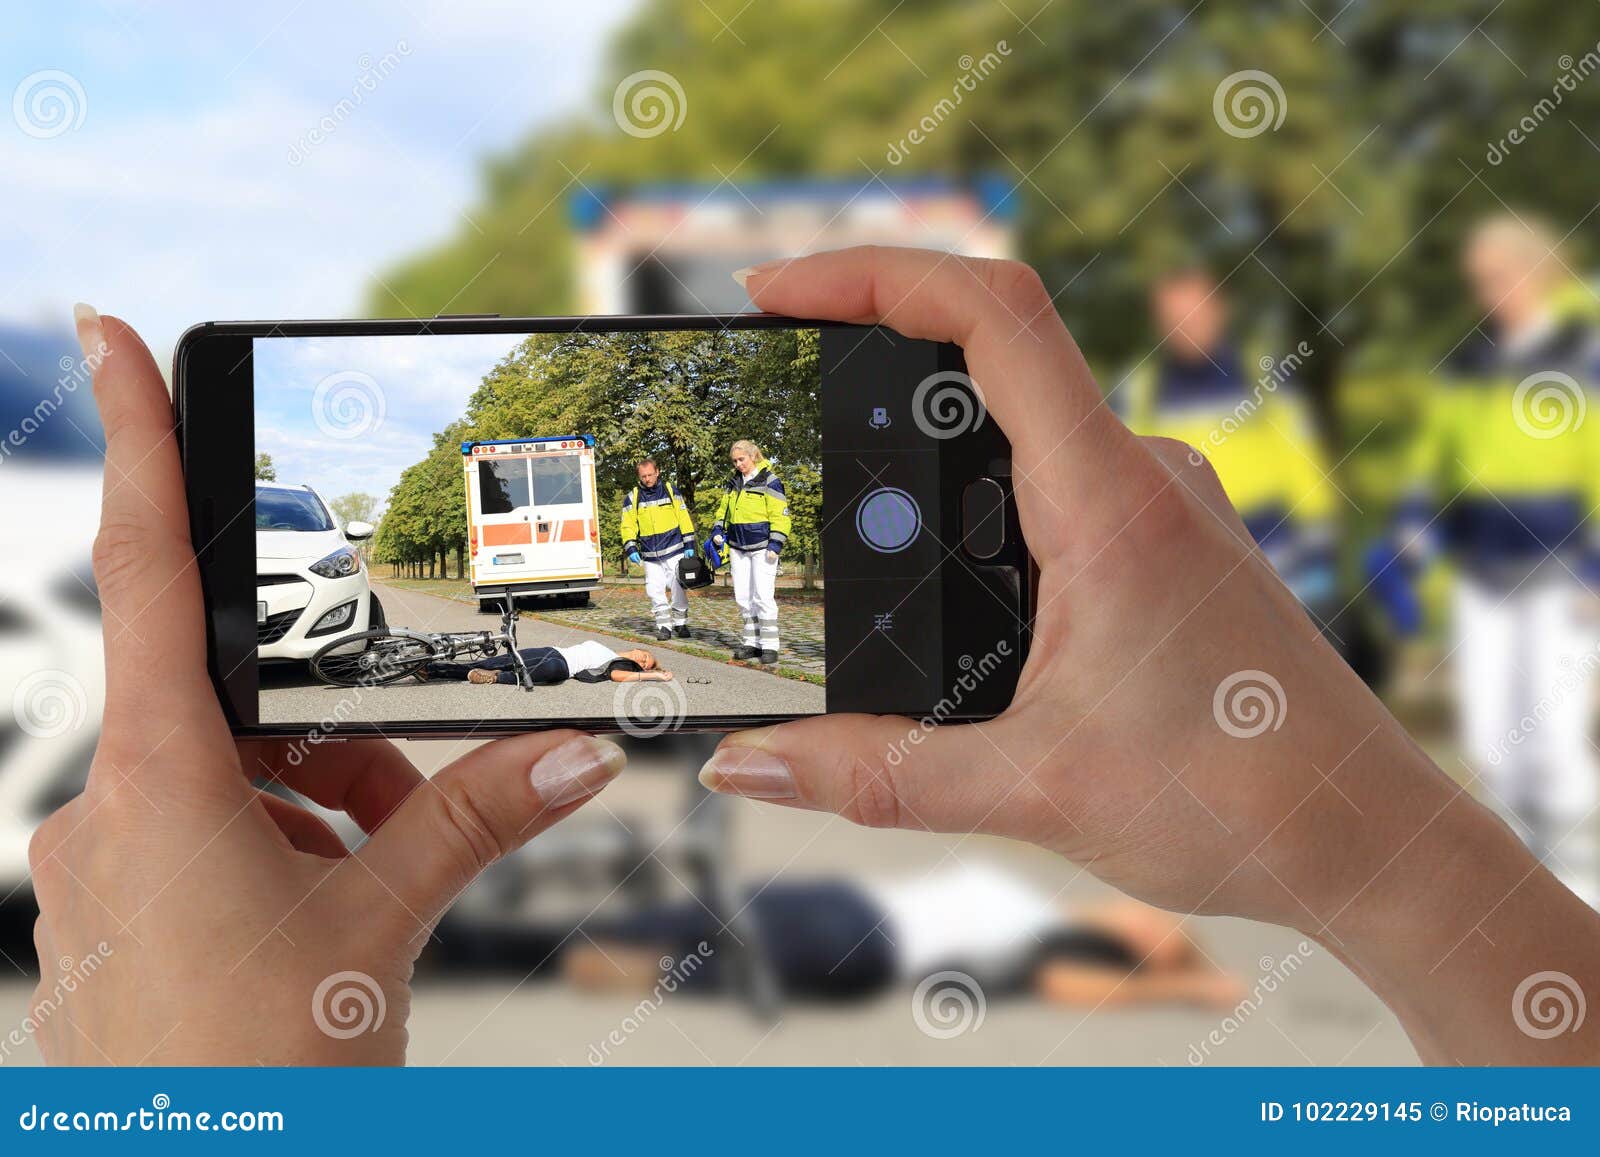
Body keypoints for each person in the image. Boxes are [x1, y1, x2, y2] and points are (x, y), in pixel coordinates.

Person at [29, 250, 1600, 1066]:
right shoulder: (662, 499)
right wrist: (1386, 855)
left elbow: (728, 529)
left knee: (764, 641)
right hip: (701, 585)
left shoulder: (717, 493)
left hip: (747, 581)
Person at [1386, 214, 1600, 908]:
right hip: (1481, 574)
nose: (1488, 294)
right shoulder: (1468, 363)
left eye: (1499, 278)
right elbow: (1434, 457)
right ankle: (1518, 901)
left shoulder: (1586, 353)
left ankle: (1584, 898)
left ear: (1539, 271)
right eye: (1480, 282)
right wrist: (1414, 522)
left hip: (1564, 577)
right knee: (1494, 744)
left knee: (1556, 747)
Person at [563, 860, 1243, 1008]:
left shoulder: (1047, 949)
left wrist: (1186, 987)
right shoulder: (1043, 906)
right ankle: (540, 946)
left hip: (865, 942)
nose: (1142, 915)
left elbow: (1069, 988)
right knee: (684, 917)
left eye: (1155, 935)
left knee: (711, 955)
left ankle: (633, 969)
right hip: (845, 904)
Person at [1118, 268, 1339, 622]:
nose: (1187, 328)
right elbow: (1124, 483)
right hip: (1189, 568)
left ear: (1219, 310)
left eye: (1195, 314)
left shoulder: (1262, 373)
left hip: (1278, 556)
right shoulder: (1140, 391)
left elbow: (1302, 458)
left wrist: (1320, 550)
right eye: (1175, 319)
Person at [710, 439, 791, 664]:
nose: (738, 464)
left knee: (763, 596)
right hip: (737, 547)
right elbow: (722, 511)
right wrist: (718, 529)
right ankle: (751, 643)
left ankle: (770, 646)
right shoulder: (733, 483)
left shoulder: (771, 481)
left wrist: (776, 544)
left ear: (753, 456)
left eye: (741, 459)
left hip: (763, 548)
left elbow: (781, 516)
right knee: (743, 597)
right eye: (735, 461)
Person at [619, 456, 697, 641]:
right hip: (650, 554)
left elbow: (683, 517)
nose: (647, 479)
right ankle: (664, 626)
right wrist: (631, 547)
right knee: (654, 590)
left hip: (674, 549)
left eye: (650, 475)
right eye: (643, 476)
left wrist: (689, 543)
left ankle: (680, 623)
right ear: (639, 476)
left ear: (657, 472)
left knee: (678, 586)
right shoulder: (633, 497)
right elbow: (628, 525)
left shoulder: (670, 490)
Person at [419, 640, 672, 686]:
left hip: (562, 668)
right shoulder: (608, 648)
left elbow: (619, 677)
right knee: (493, 661)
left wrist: (654, 675)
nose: (643, 661)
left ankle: (497, 678)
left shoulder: (620, 664)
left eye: (645, 664)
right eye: (645, 656)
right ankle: (431, 670)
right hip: (551, 650)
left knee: (543, 670)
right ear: (639, 649)